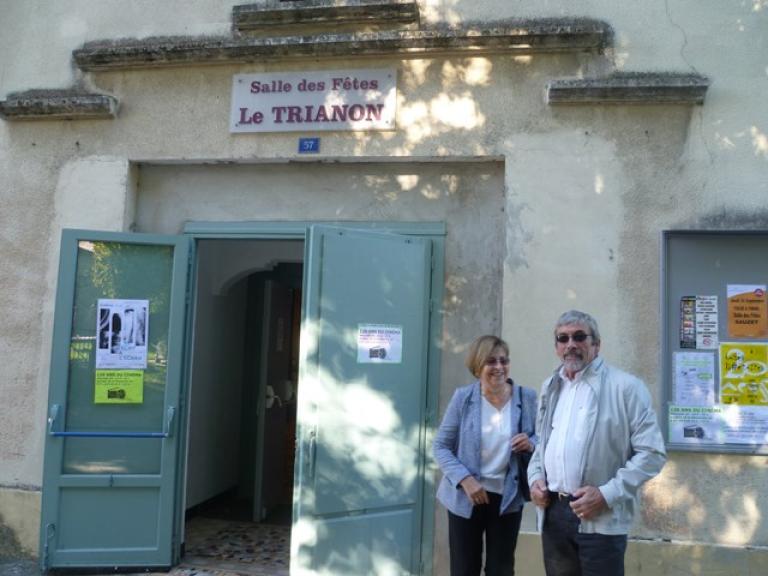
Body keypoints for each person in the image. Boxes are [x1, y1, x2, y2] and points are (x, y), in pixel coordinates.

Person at [528, 310, 667, 576]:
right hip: (554, 514)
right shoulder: (550, 387)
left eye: (580, 336)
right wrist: (534, 478)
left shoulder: (626, 387)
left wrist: (606, 494)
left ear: (596, 344)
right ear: (556, 346)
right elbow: (542, 444)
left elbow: (652, 453)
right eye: (563, 338)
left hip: (600, 517)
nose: (571, 344)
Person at [433, 335, 537, 576]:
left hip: (507, 498)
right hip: (466, 496)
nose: (499, 367)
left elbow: (543, 438)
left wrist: (530, 443)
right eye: (491, 361)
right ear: (478, 365)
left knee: (501, 569)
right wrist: (465, 479)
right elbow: (440, 446)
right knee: (464, 568)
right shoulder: (464, 398)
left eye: (504, 360)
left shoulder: (526, 397)